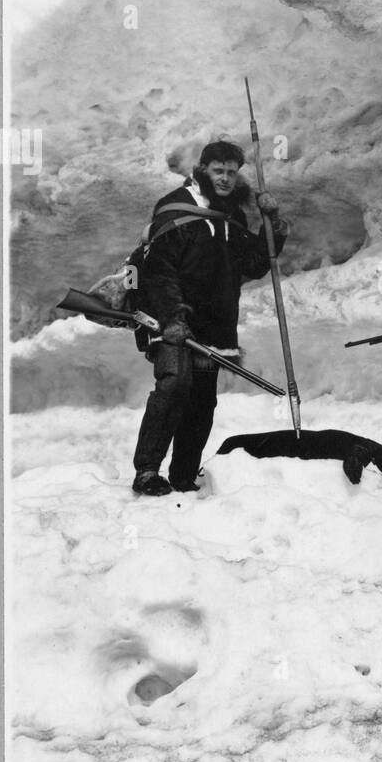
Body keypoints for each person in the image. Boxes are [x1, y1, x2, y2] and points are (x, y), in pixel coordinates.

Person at [131, 140, 287, 496]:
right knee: (174, 386)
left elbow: (255, 263)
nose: (227, 179)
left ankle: (184, 477)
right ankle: (146, 472)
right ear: (203, 169)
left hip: (213, 327)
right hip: (170, 323)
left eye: (232, 172)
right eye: (219, 171)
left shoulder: (232, 217)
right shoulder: (175, 207)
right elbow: (159, 269)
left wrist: (272, 222)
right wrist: (172, 317)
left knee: (202, 403)